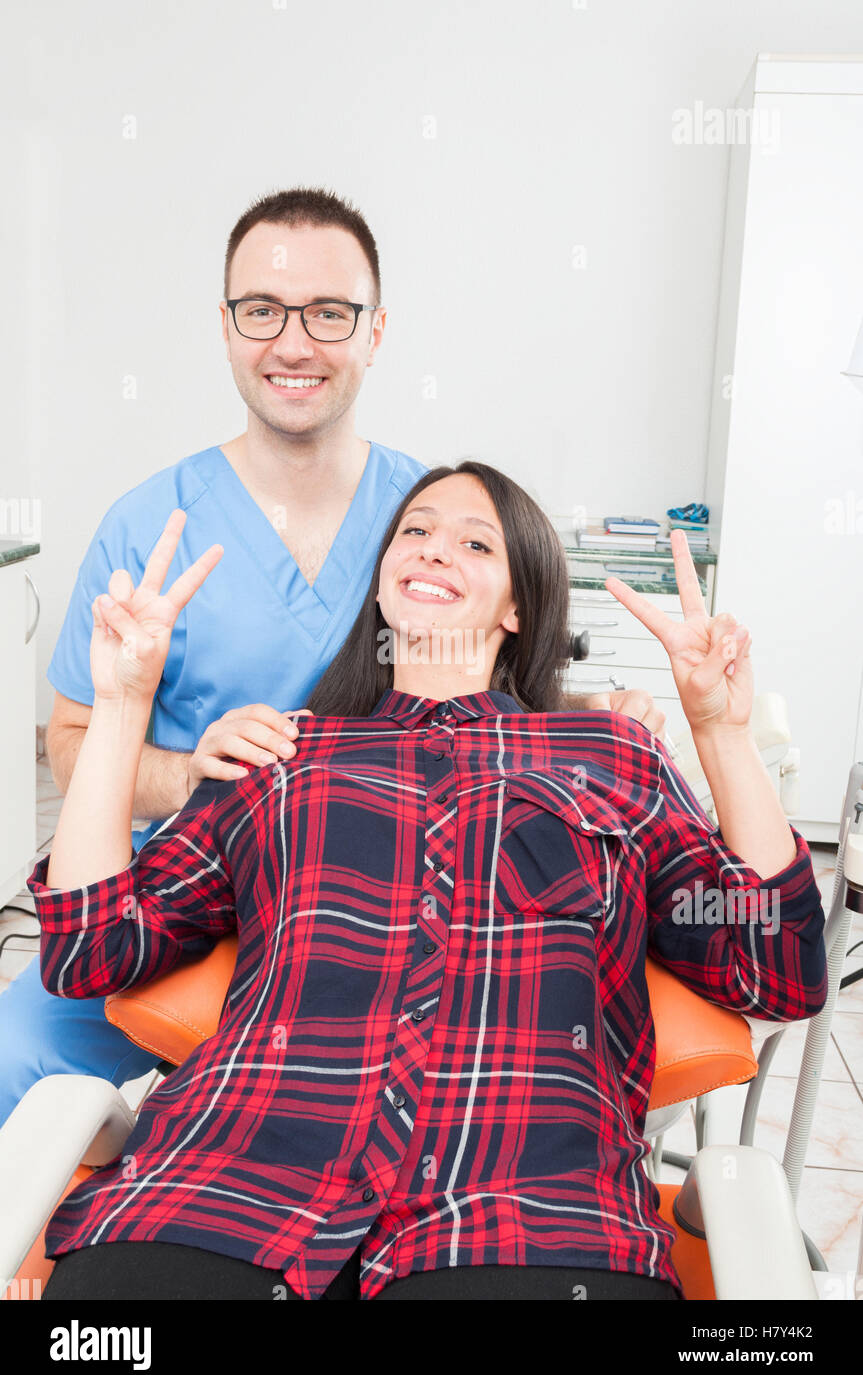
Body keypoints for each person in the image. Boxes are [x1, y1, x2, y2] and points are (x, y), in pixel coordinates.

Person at [31, 462, 827, 1302]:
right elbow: (90, 952)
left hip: (530, 1215)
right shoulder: (279, 755)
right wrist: (122, 705)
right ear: (382, 587)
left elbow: (776, 969)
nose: (433, 550)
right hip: (219, 1191)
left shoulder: (610, 755)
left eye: (474, 542)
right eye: (414, 531)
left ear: (517, 609)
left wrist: (720, 732)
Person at [0, 187, 665, 1127]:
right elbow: (74, 739)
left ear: (375, 330)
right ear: (227, 327)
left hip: (376, 911)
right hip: (183, 901)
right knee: (13, 1053)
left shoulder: (425, 521)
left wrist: (598, 720)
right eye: (262, 310)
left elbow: (493, 683)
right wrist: (190, 773)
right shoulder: (149, 526)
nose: (295, 343)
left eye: (329, 312)